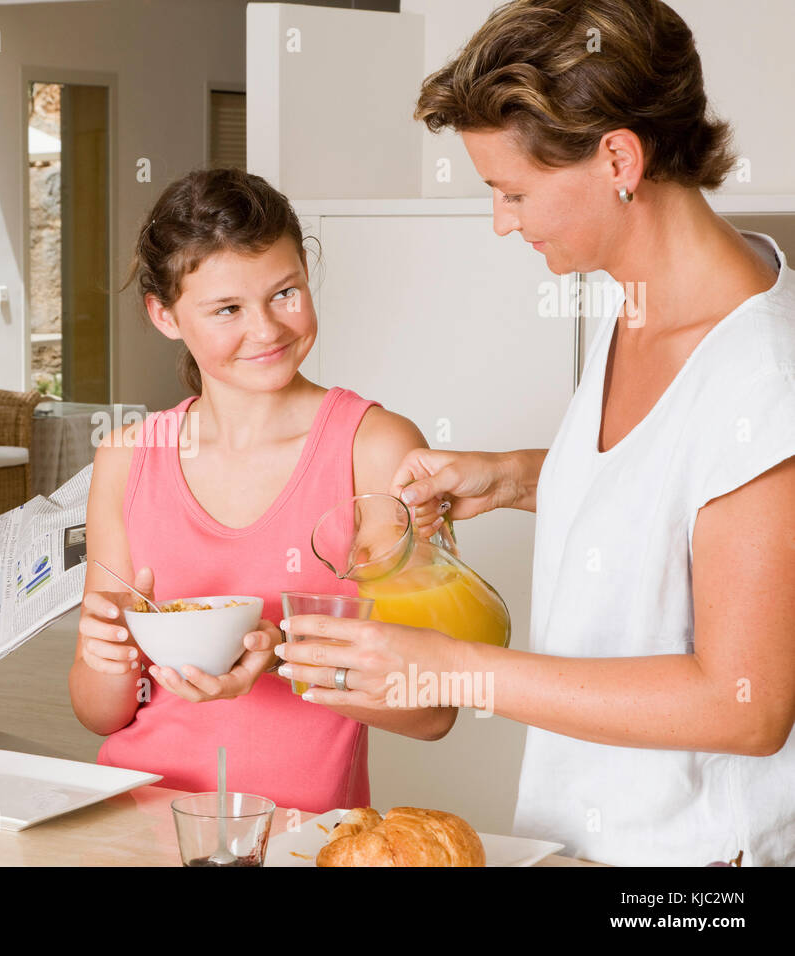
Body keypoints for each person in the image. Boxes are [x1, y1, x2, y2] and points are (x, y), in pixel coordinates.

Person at [276, 0, 795, 865]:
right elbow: (684, 485)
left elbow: (745, 706)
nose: (502, 221)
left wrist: (449, 666)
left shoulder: (760, 376)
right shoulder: (637, 307)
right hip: (585, 839)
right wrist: (516, 477)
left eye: (513, 191)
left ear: (619, 158)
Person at [69, 168, 455, 814]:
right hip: (135, 821)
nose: (268, 330)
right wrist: (107, 659)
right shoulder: (127, 457)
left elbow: (432, 708)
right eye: (227, 309)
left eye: (285, 292)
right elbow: (100, 715)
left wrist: (281, 657)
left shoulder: (375, 449)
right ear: (164, 316)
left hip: (302, 836)